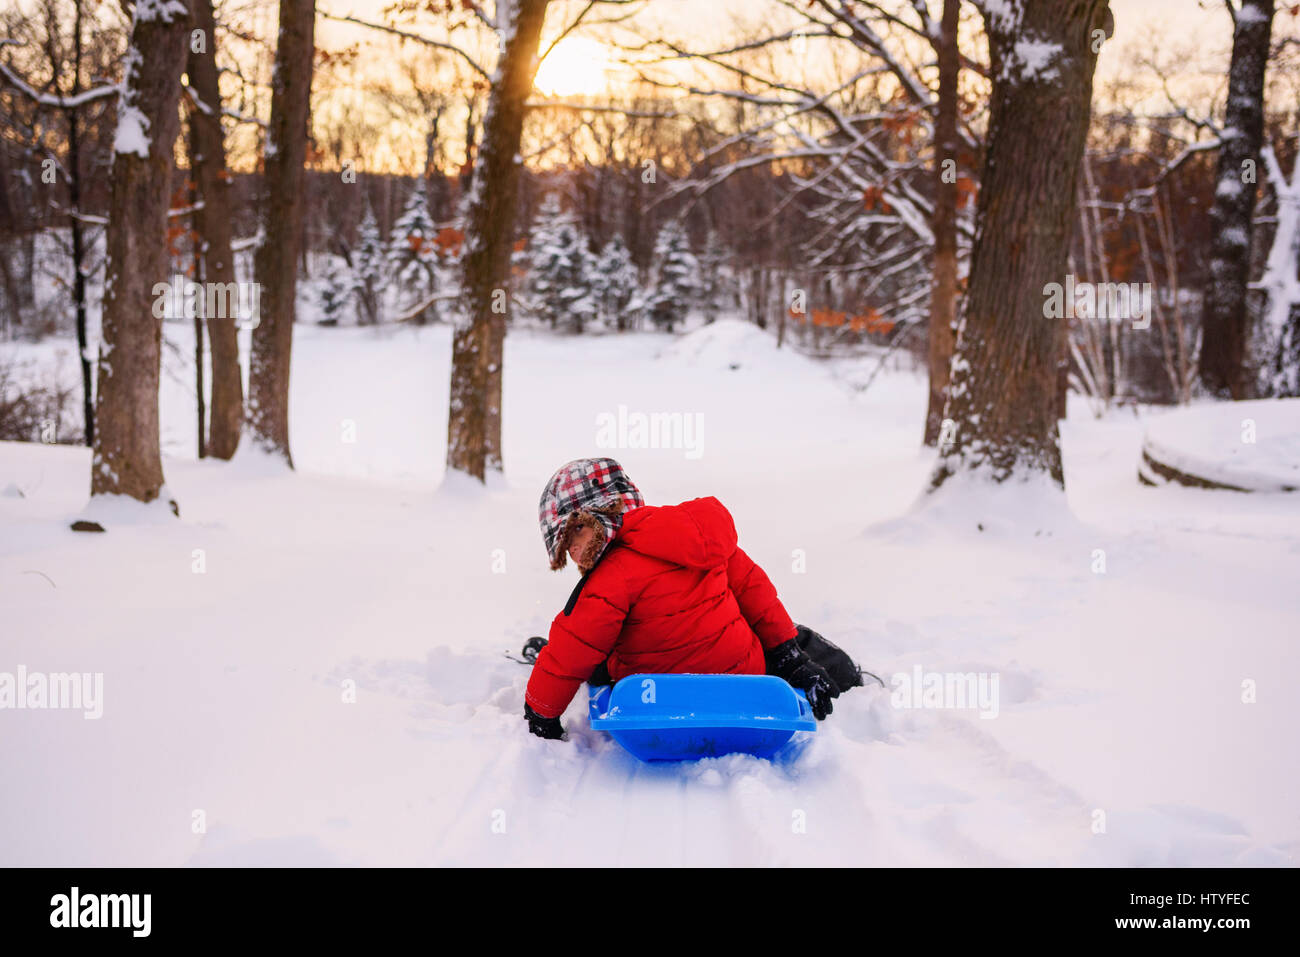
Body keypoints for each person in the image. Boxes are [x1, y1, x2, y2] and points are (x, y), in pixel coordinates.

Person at [524, 457, 847, 741]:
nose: (573, 553)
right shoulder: (709, 542)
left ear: (595, 521)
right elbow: (757, 595)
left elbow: (573, 649)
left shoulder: (609, 578)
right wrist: (790, 657)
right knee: (765, 625)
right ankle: (838, 671)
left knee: (588, 647)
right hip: (744, 678)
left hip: (653, 696)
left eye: (571, 538)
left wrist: (541, 713)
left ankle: (546, 659)